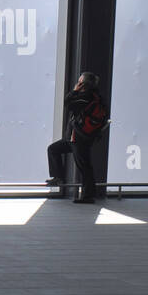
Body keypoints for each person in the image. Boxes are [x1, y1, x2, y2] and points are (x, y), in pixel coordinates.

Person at [46, 71, 107, 204]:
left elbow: (68, 103)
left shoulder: (86, 97)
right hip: (77, 137)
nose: (77, 83)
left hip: (79, 138)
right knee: (53, 149)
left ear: (83, 84)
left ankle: (88, 196)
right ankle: (59, 177)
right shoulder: (95, 96)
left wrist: (74, 91)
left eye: (79, 82)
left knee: (84, 167)